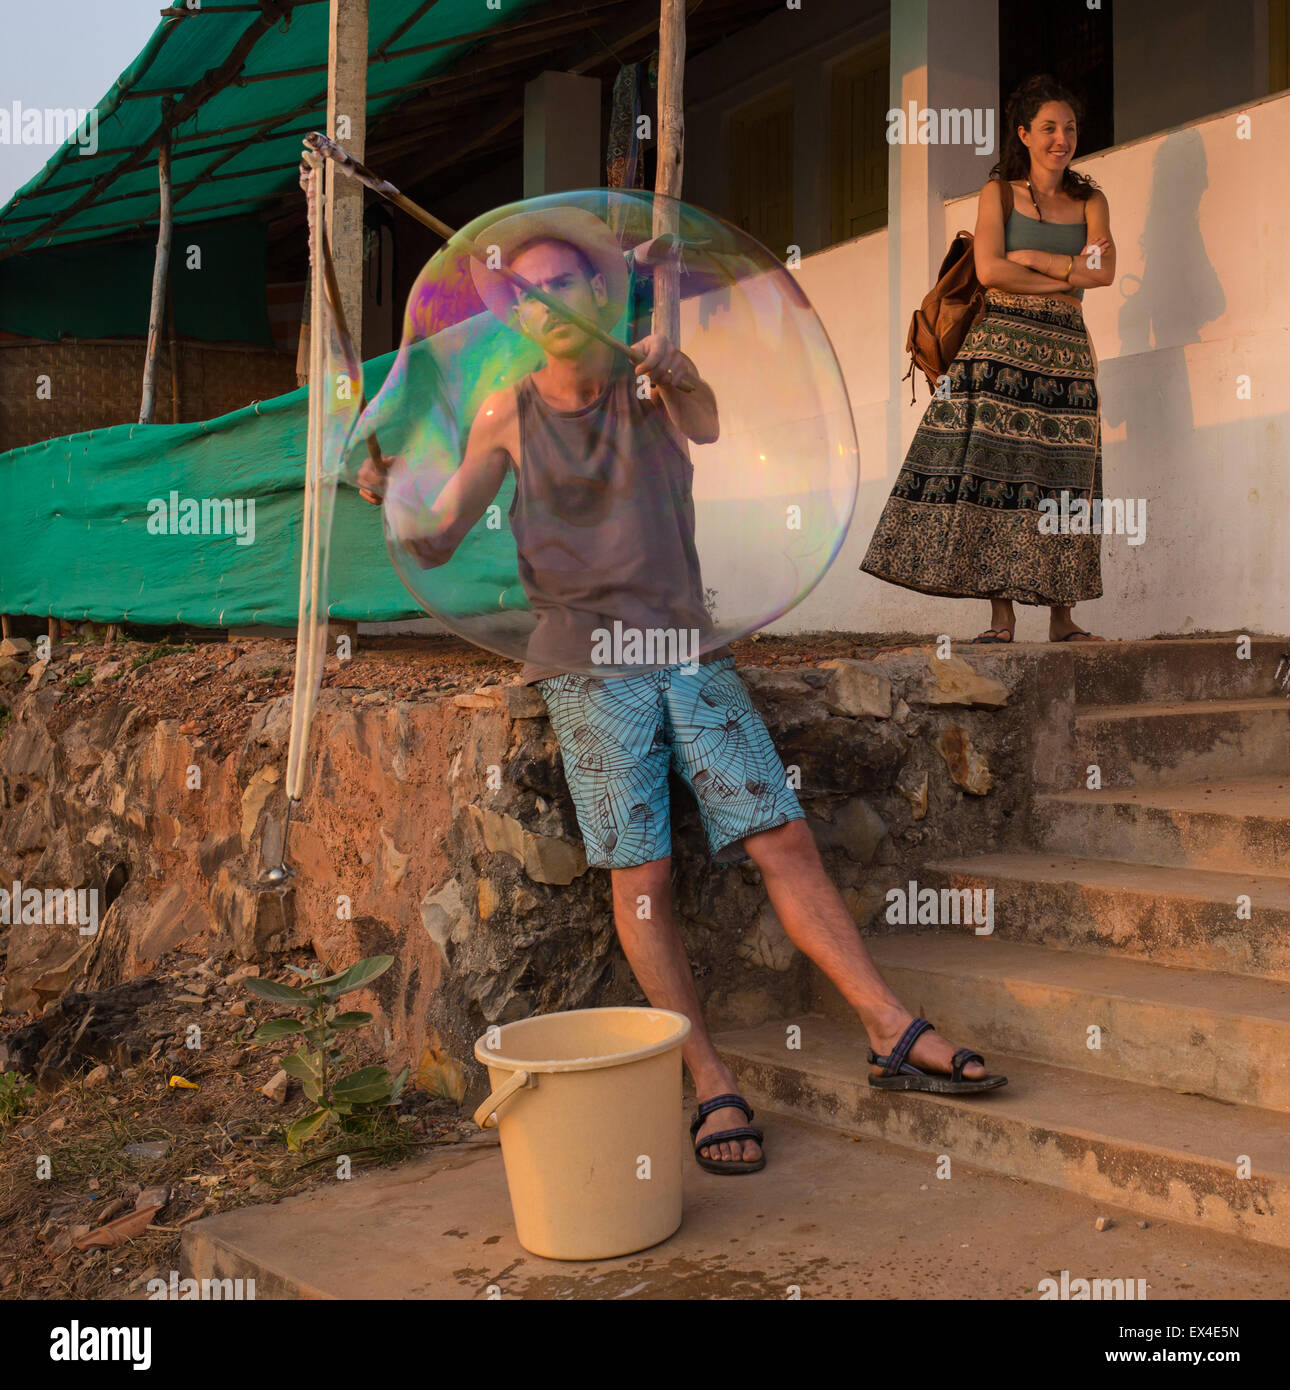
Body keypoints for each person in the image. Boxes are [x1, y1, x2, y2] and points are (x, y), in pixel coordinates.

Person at [358, 206, 1006, 1176]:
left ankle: (887, 1026)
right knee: (644, 876)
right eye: (529, 294)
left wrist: (680, 372)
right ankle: (708, 1078)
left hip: (686, 648)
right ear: (521, 321)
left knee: (779, 834)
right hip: (584, 665)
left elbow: (703, 421)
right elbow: (442, 534)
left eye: (568, 284)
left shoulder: (649, 381)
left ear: (597, 292)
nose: (551, 304)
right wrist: (395, 492)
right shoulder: (507, 413)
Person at [861, 74, 1114, 644]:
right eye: (1048, 128)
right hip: (997, 351)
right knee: (989, 477)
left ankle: (1063, 619)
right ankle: (1002, 620)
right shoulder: (997, 193)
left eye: (1069, 128)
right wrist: (1066, 272)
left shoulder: (1090, 201)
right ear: (1023, 133)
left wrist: (1034, 258)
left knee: (1065, 482)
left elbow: (1104, 271)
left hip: (1066, 354)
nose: (1061, 138)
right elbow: (990, 271)